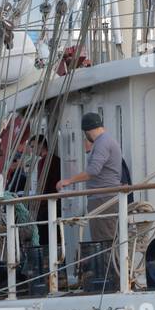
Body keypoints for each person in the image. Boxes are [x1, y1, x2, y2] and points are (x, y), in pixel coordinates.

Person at [59, 113, 126, 284]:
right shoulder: (107, 140)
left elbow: (93, 170)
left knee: (105, 241)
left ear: (87, 131)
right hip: (104, 197)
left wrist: (69, 181)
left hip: (103, 198)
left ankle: (114, 282)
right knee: (106, 240)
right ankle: (114, 279)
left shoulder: (102, 143)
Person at [31, 134, 63, 226]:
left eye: (33, 147)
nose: (32, 150)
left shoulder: (43, 162)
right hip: (57, 202)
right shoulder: (56, 159)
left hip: (47, 206)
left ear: (41, 145)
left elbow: (42, 186)